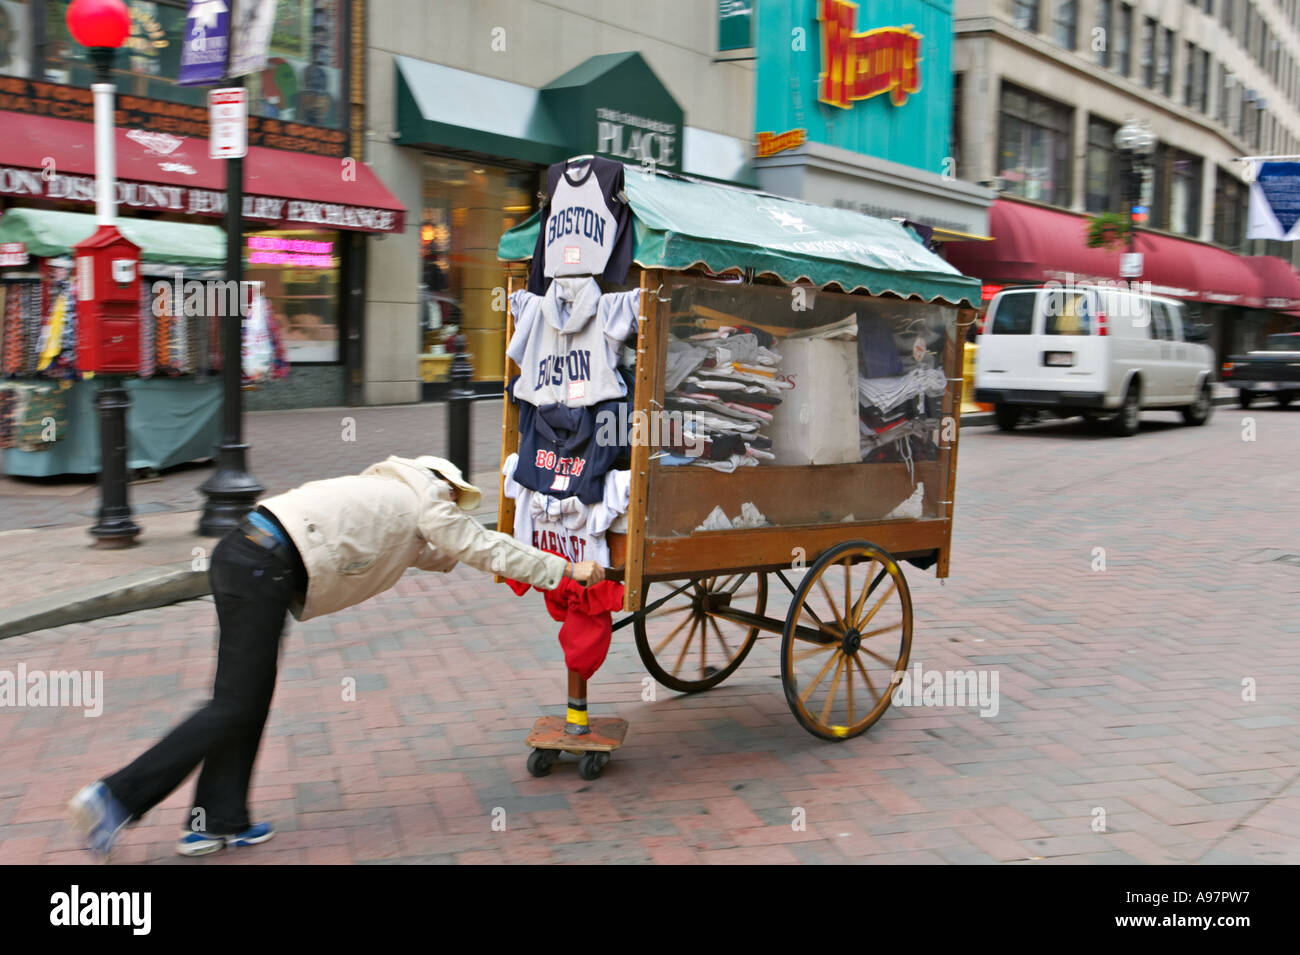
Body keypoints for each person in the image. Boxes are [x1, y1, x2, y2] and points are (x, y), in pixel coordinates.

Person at [69, 455, 603, 858]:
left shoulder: (385, 491)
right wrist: (561, 570)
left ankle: (217, 819)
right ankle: (116, 796)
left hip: (244, 555)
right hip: (263, 569)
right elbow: (479, 545)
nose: (453, 506)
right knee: (234, 704)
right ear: (445, 485)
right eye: (455, 499)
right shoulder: (426, 500)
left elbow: (447, 553)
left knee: (243, 701)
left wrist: (501, 561)